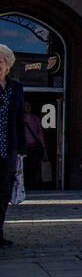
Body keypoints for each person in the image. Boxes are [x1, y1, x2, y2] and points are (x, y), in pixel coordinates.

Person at [0, 43, 26, 247]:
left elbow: (19, 118)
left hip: (8, 147)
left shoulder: (15, 87)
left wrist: (22, 148)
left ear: (8, 64)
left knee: (3, 192)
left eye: (1, 61)